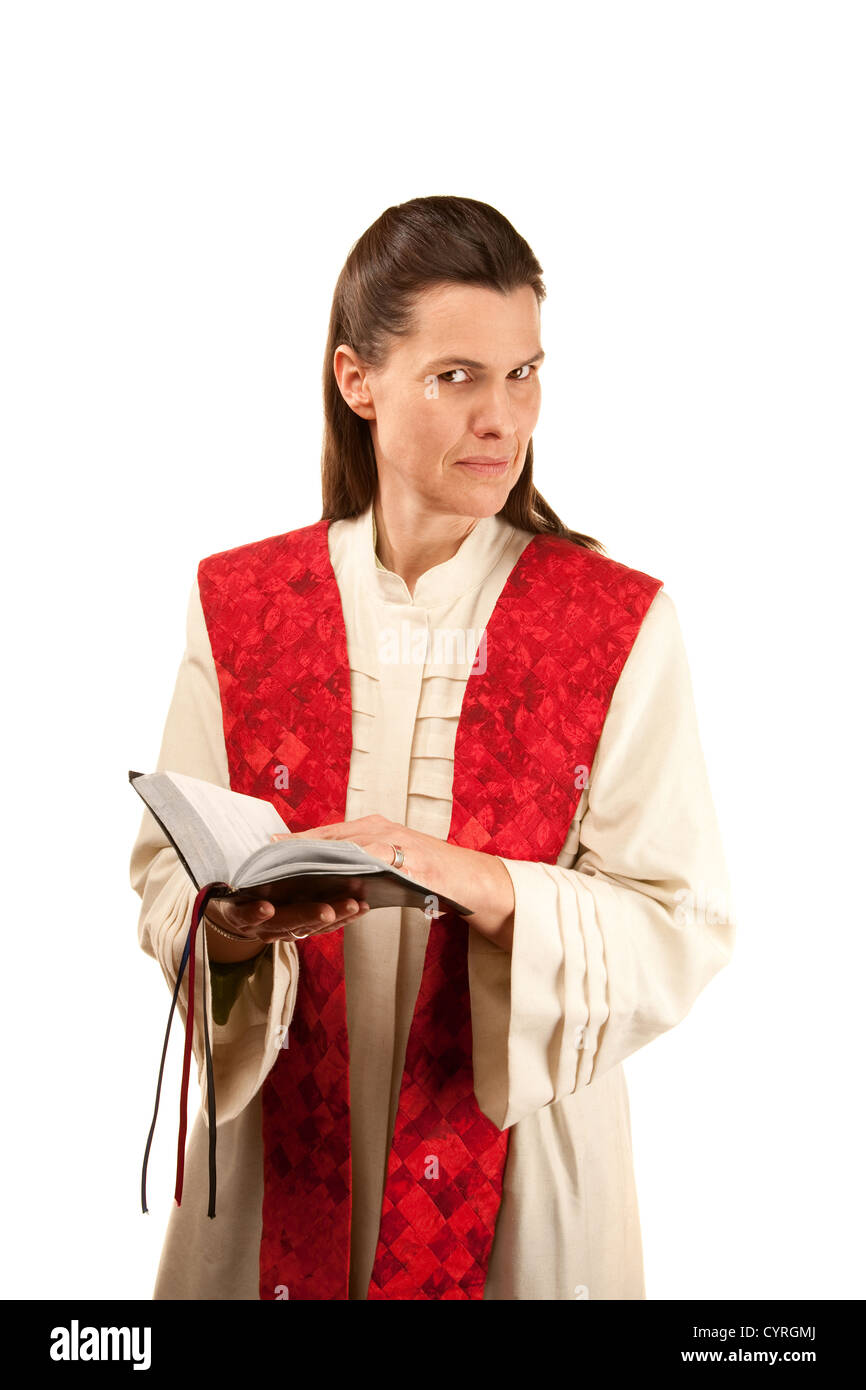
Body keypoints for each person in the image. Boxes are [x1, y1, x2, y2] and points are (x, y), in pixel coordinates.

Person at [129, 194, 735, 1301]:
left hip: (523, 1183)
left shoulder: (616, 620)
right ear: (357, 380)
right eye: (455, 376)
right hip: (277, 1155)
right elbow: (165, 876)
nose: (502, 418)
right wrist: (224, 926)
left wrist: (492, 887)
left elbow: (679, 919)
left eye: (522, 373)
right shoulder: (242, 602)